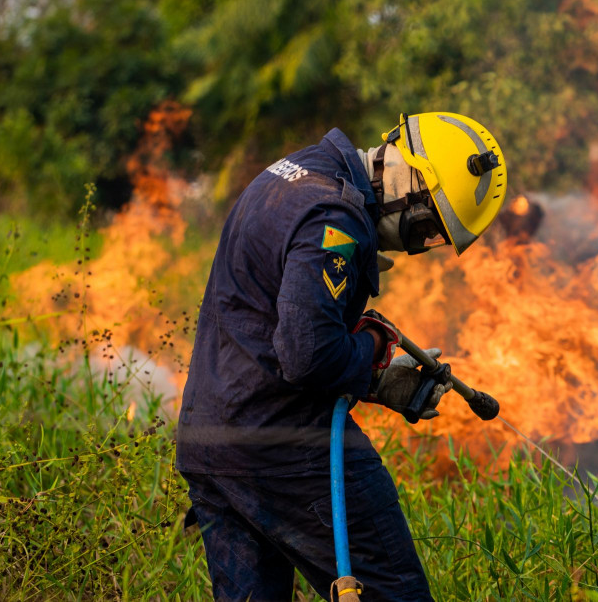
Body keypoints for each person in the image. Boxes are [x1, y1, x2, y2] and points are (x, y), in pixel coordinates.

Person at [175, 113, 507, 601]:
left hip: (212, 443)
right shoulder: (336, 216)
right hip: (283, 449)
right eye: (426, 230)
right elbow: (307, 355)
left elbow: (275, 328)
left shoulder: (298, 170)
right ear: (410, 182)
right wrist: (374, 353)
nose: (418, 247)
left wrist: (369, 375)